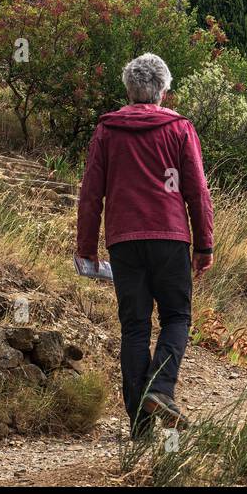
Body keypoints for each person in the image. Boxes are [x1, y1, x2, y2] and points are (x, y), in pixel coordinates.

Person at [76, 53, 214, 436]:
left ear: (128, 89)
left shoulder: (107, 129)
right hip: (170, 239)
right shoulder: (180, 129)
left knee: (134, 328)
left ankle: (140, 430)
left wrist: (86, 245)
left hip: (124, 243)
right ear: (164, 91)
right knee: (176, 318)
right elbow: (197, 191)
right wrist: (204, 245)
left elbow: (91, 192)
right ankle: (161, 389)